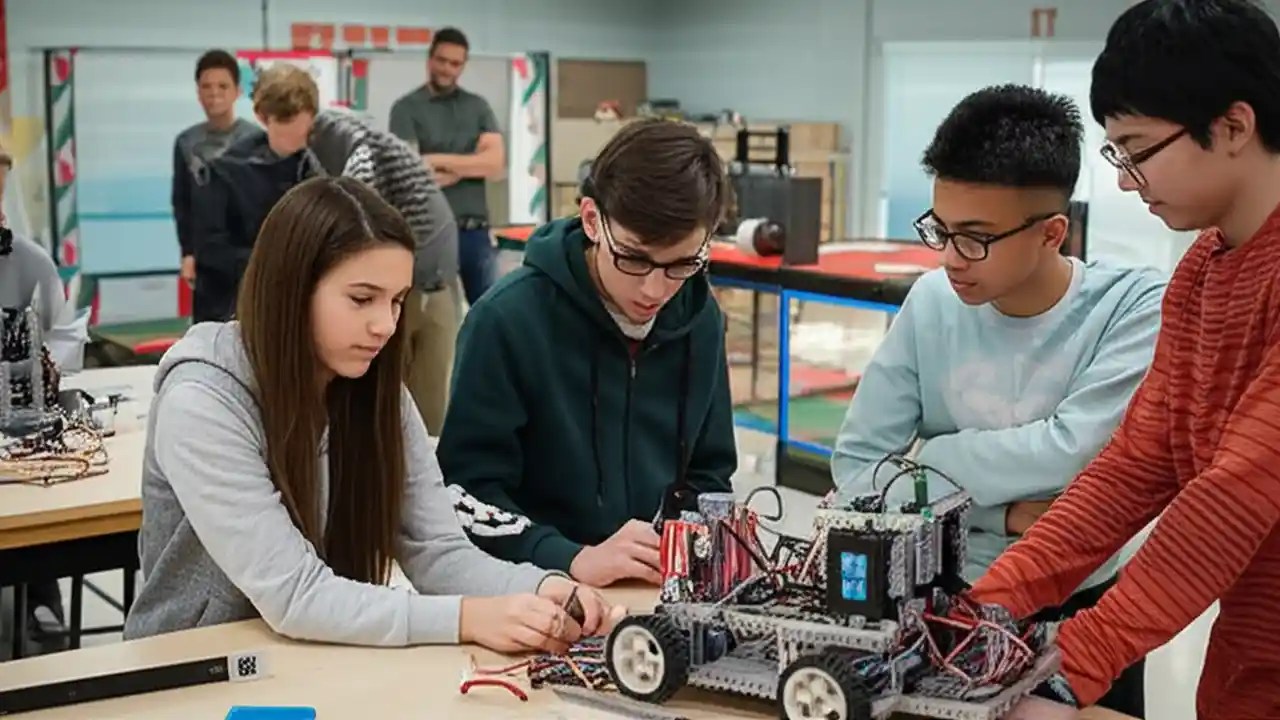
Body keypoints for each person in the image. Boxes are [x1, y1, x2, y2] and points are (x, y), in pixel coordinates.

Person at [125, 176, 613, 652]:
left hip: (323, 656)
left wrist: (538, 587)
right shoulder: (203, 400)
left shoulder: (372, 388)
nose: (385, 325)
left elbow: (438, 551)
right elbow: (295, 594)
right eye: (362, 299)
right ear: (292, 288)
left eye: (397, 300)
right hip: (192, 675)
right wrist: (469, 618)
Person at [972, 2, 1280, 717]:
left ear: (1234, 125)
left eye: (1137, 150)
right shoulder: (1201, 272)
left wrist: (1070, 667)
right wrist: (988, 604)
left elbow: (1234, 493)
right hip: (1247, 663)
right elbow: (1138, 465)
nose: (1123, 179)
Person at [830, 84, 1162, 718]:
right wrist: (1004, 517)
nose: (952, 259)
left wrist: (936, 460)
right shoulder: (930, 302)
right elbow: (855, 474)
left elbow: (1074, 453)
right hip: (945, 600)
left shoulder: (1132, 307)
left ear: (1052, 232)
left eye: (976, 238)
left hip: (1079, 606)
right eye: (941, 231)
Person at [438, 118, 738, 587]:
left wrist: (689, 546)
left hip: (657, 589)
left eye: (682, 264)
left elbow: (710, 473)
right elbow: (467, 493)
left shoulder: (700, 320)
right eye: (634, 258)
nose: (654, 289)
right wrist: (569, 556)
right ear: (593, 220)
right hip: (539, 587)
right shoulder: (506, 321)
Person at [309, 108, 460, 435]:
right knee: (376, 401)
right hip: (420, 277)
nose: (384, 326)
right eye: (361, 299)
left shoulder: (339, 134)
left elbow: (357, 202)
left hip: (435, 280)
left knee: (424, 409)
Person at [191, 63, 322, 322]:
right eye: (285, 121)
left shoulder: (318, 168)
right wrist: (277, 265)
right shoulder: (224, 171)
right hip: (236, 308)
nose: (297, 132)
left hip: (298, 307)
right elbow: (211, 250)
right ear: (263, 118)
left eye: (303, 122)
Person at [388, 27, 504, 306]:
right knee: (435, 324)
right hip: (429, 234)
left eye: (455, 63)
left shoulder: (477, 107)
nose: (447, 69)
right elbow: (410, 175)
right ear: (429, 59)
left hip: (475, 232)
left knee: (489, 314)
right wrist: (468, 165)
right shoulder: (406, 109)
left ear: (463, 66)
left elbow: (494, 164)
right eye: (442, 60)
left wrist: (434, 160)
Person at [171, 49, 261, 294]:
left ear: (237, 91)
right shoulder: (186, 142)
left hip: (250, 256)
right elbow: (182, 203)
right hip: (206, 259)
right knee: (208, 329)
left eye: (223, 86)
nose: (214, 94)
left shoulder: (256, 140)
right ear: (198, 92)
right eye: (207, 86)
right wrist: (187, 253)